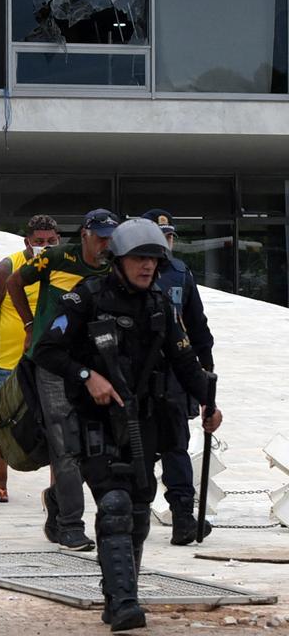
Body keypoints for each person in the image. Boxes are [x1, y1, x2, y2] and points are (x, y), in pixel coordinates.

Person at [32, 218, 220, 632]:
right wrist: (87, 376)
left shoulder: (159, 305)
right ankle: (123, 603)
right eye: (139, 258)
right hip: (96, 421)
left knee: (137, 510)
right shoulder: (87, 299)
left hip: (144, 421)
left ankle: (118, 591)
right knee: (114, 505)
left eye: (153, 259)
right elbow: (46, 350)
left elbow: (185, 361)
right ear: (117, 260)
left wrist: (208, 400)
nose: (147, 266)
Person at [9, 208, 118, 550]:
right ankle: (71, 523)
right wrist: (29, 326)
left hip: (95, 368)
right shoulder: (57, 257)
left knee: (95, 446)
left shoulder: (117, 267)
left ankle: (57, 501)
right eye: (100, 236)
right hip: (52, 362)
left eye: (110, 237)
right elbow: (14, 281)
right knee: (64, 442)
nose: (105, 243)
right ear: (85, 235)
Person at [0, 215, 60, 503]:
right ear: (27, 242)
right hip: (12, 360)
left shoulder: (65, 267)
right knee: (9, 421)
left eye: (50, 242)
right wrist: (5, 332)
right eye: (39, 242)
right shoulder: (10, 266)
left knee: (58, 425)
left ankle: (57, 488)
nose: (45, 247)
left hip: (54, 361)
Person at [142, 209, 217, 545]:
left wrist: (208, 389)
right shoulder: (121, 273)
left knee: (176, 447)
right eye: (160, 237)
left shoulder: (180, 273)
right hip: (132, 379)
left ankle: (184, 518)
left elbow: (199, 331)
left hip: (174, 376)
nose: (166, 243)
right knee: (132, 450)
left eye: (169, 236)